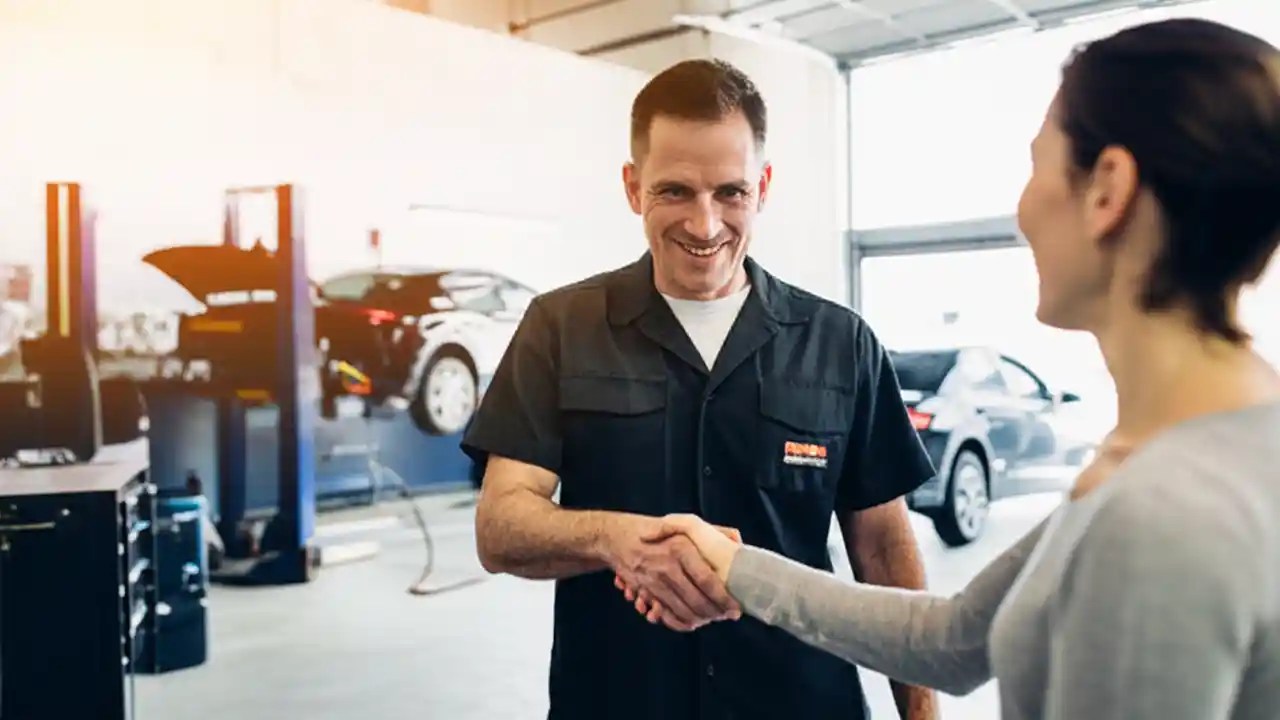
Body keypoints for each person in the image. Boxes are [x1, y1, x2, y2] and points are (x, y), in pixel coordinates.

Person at [620, 17, 1280, 720]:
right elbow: (956, 637)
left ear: (1109, 189)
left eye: (1037, 166)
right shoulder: (1194, 448)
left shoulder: (1162, 516)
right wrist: (732, 567)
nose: (1023, 210)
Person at [463, 59, 938, 719]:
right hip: (618, 700)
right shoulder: (560, 328)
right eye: (675, 191)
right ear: (633, 188)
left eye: (731, 193)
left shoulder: (841, 343)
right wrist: (614, 539)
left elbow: (882, 546)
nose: (705, 224)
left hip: (800, 702)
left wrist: (921, 712)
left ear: (764, 186)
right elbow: (501, 527)